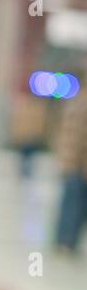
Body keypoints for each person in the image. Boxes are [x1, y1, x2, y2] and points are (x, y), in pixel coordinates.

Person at [52, 89, 87, 255]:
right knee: (74, 204)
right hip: (77, 164)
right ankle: (66, 241)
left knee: (71, 203)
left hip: (71, 161)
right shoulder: (81, 103)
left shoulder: (75, 101)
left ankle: (65, 240)